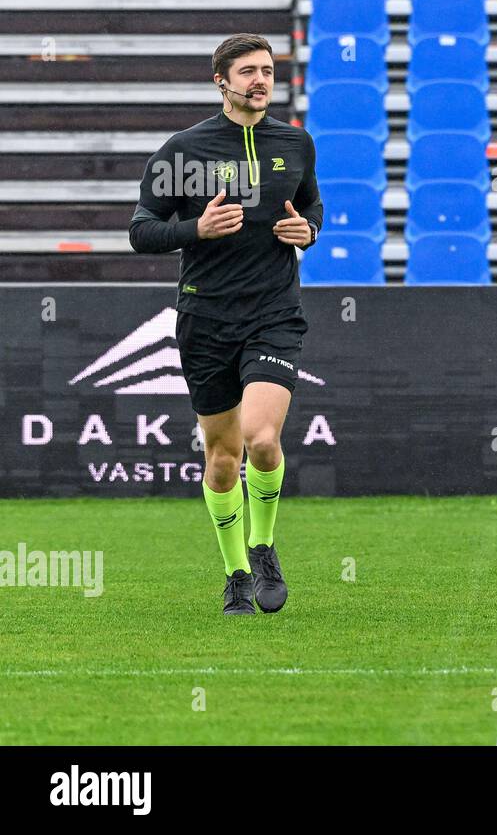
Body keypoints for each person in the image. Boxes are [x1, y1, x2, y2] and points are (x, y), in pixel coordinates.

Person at [129, 33, 322, 616]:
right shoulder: (184, 150)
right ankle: (236, 572)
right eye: (247, 71)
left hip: (273, 312)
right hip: (205, 315)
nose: (260, 80)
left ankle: (263, 548)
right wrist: (196, 231)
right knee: (221, 456)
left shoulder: (295, 142)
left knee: (261, 439)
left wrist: (307, 232)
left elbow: (311, 208)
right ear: (222, 81)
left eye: (267, 70)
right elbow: (142, 229)